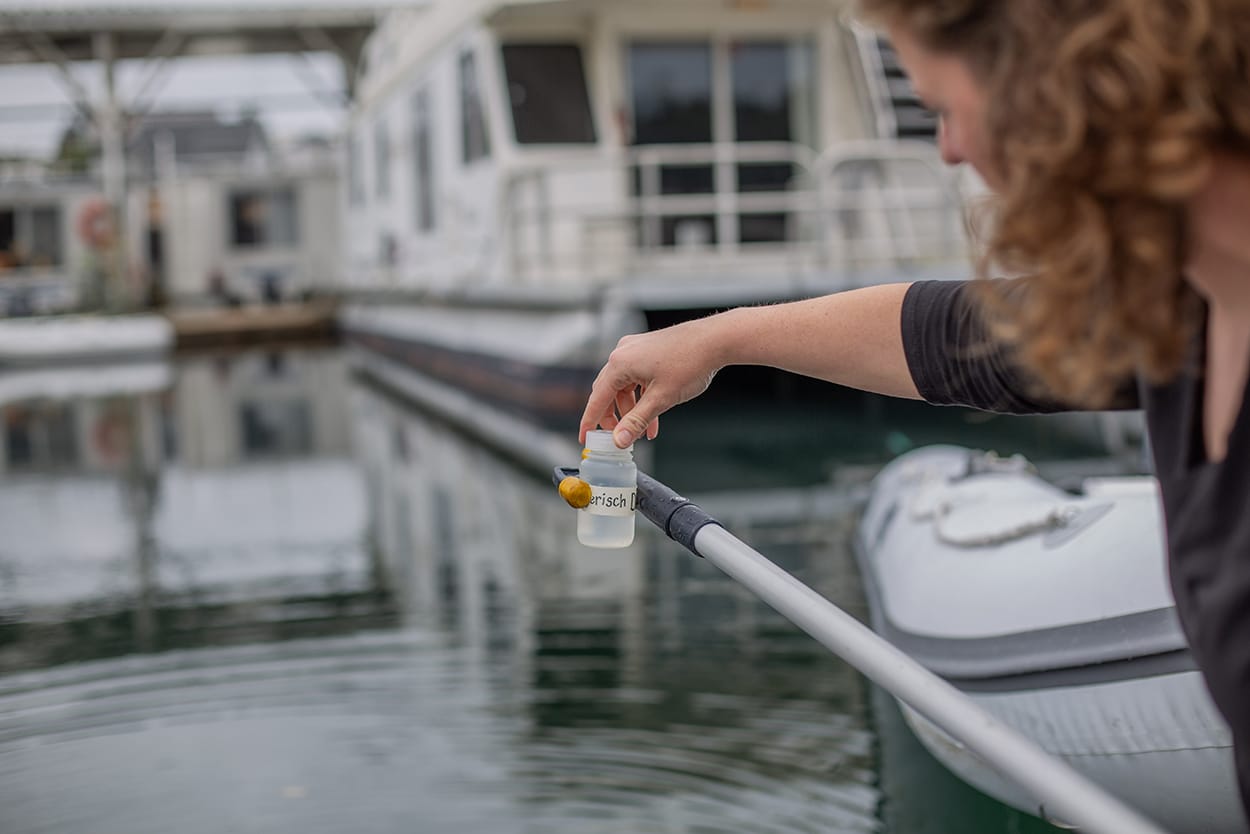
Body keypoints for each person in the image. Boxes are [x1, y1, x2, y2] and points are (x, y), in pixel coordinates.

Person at [578, 0, 1250, 819]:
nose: (951, 149)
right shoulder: (1180, 306)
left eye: (945, 110)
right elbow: (959, 336)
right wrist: (719, 340)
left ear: (1063, 84)